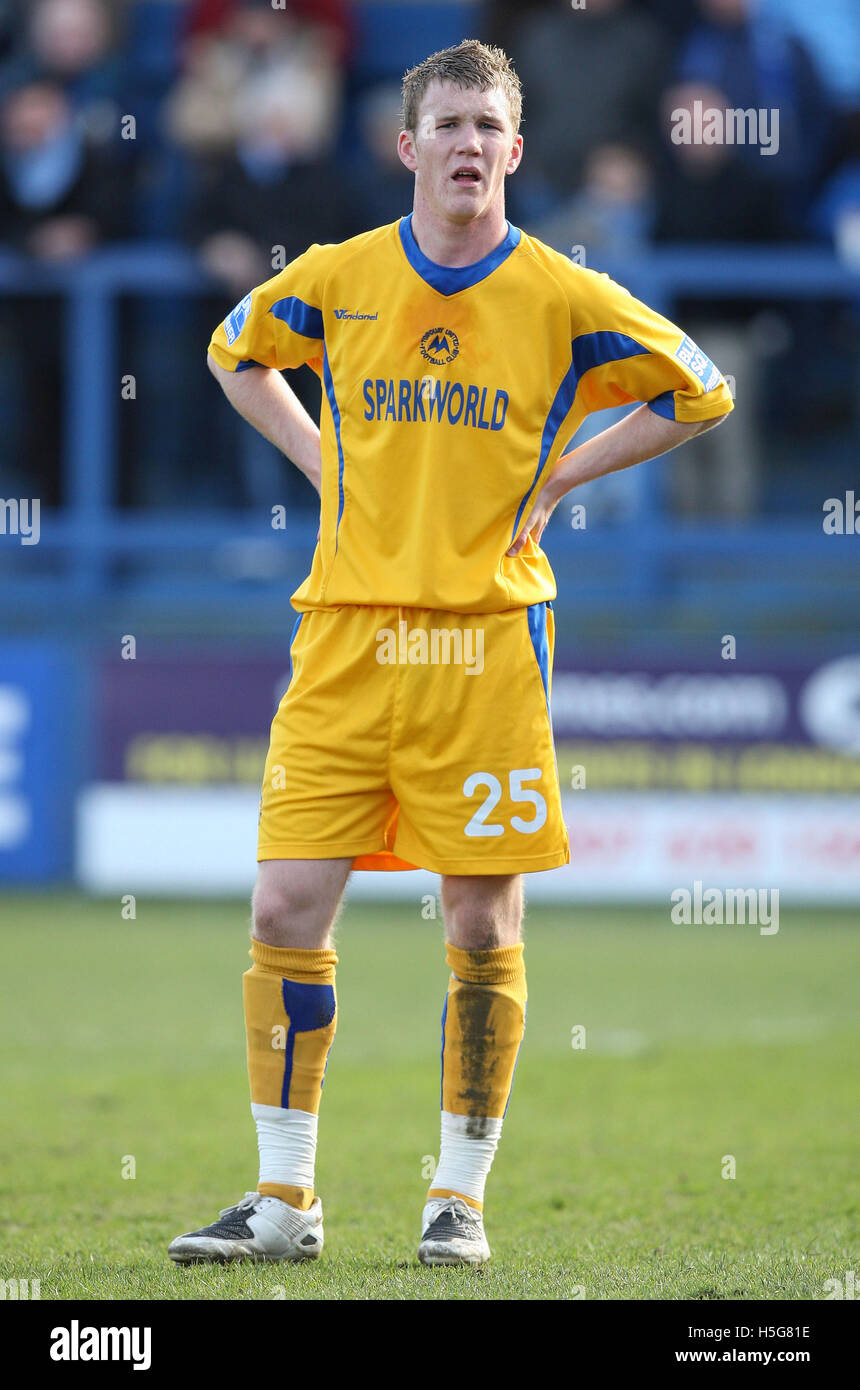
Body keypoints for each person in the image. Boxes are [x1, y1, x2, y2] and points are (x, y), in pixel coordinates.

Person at [167, 40, 733, 1270]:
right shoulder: (336, 276)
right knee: (283, 902)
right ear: (406, 144)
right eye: (448, 125)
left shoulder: (564, 293)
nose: (468, 145)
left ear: (514, 152)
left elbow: (698, 389)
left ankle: (457, 1197)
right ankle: (283, 1198)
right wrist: (321, 462)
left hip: (483, 646)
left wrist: (562, 473)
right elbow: (231, 353)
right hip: (344, 636)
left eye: (489, 126)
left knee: (479, 923)